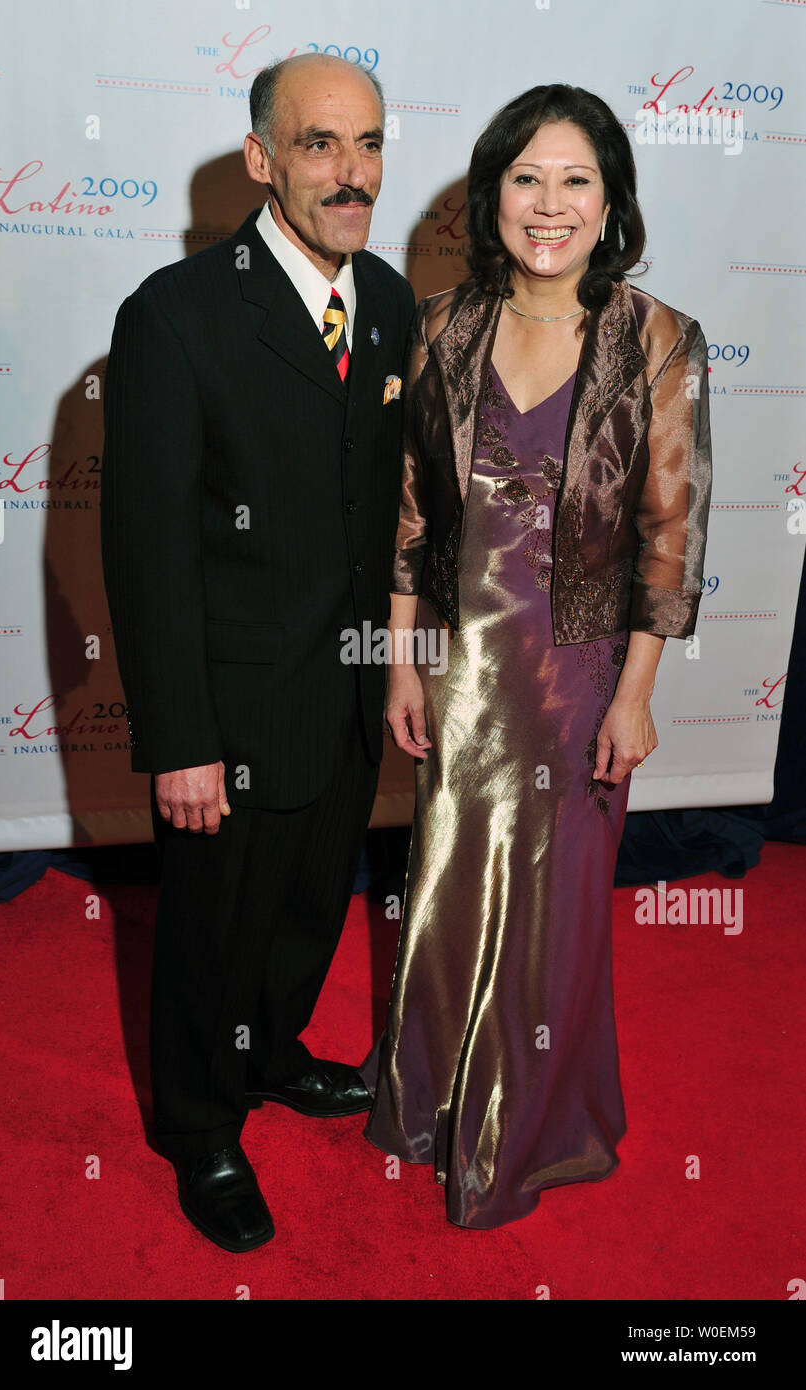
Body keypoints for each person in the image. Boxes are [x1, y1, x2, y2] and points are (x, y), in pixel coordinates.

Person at [360, 84, 713, 1229]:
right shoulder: (442, 325)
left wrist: (638, 696)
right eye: (527, 178)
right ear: (492, 192)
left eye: (576, 180)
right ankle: (432, 1103)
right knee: (447, 892)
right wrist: (407, 666)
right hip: (460, 664)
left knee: (553, 908)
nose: (549, 204)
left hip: (578, 676)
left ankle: (532, 1127)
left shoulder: (658, 338)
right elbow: (411, 515)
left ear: (610, 202)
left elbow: (672, 536)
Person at [100, 52, 415, 1252]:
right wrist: (177, 742)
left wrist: (401, 664)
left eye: (371, 144)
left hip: (340, 700)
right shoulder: (174, 316)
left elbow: (393, 515)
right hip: (228, 713)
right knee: (209, 932)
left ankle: (273, 1053)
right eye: (323, 144)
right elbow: (148, 553)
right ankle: (198, 1125)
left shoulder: (388, 301)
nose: (353, 173)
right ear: (261, 159)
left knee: (303, 912)